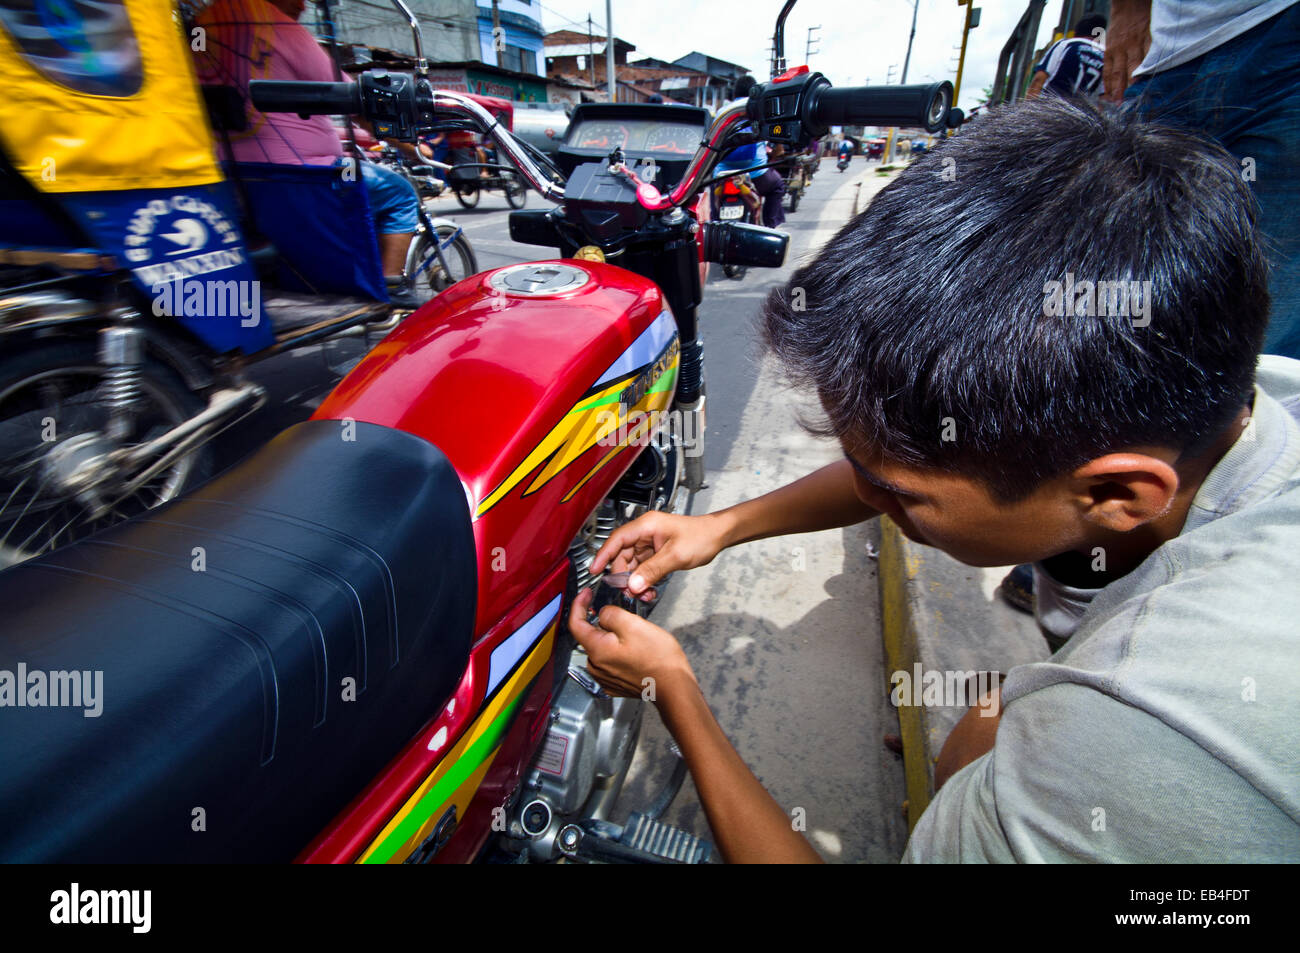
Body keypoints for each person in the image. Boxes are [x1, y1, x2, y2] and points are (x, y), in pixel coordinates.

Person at [567, 96, 1300, 862]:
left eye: (901, 494)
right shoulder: (1232, 406)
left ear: (1117, 495)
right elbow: (897, 473)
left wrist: (676, 691)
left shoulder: (1150, 736)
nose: (871, 495)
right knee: (972, 744)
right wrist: (718, 527)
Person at [1105, 0, 1299, 359]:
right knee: (1117, 317)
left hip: (1285, 39)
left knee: (1262, 344)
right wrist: (1128, 8)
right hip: (1169, 55)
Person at [193, 0, 422, 304]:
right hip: (304, 174)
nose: (302, 5)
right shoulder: (277, 25)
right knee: (400, 193)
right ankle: (392, 286)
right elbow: (358, 103)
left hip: (229, 174)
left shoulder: (202, 23)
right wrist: (412, 147)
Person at [716, 75, 786, 229]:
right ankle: (770, 228)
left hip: (722, 174)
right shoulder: (761, 110)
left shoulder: (722, 111)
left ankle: (711, 228)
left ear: (734, 93)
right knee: (778, 186)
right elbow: (777, 138)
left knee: (710, 201)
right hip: (756, 174)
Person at [1027, 14, 1107, 99]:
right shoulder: (1104, 58)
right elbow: (1104, 97)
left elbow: (1039, 79)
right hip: (1077, 107)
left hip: (1049, 103)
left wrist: (1027, 104)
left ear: (1077, 31)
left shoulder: (1065, 44)